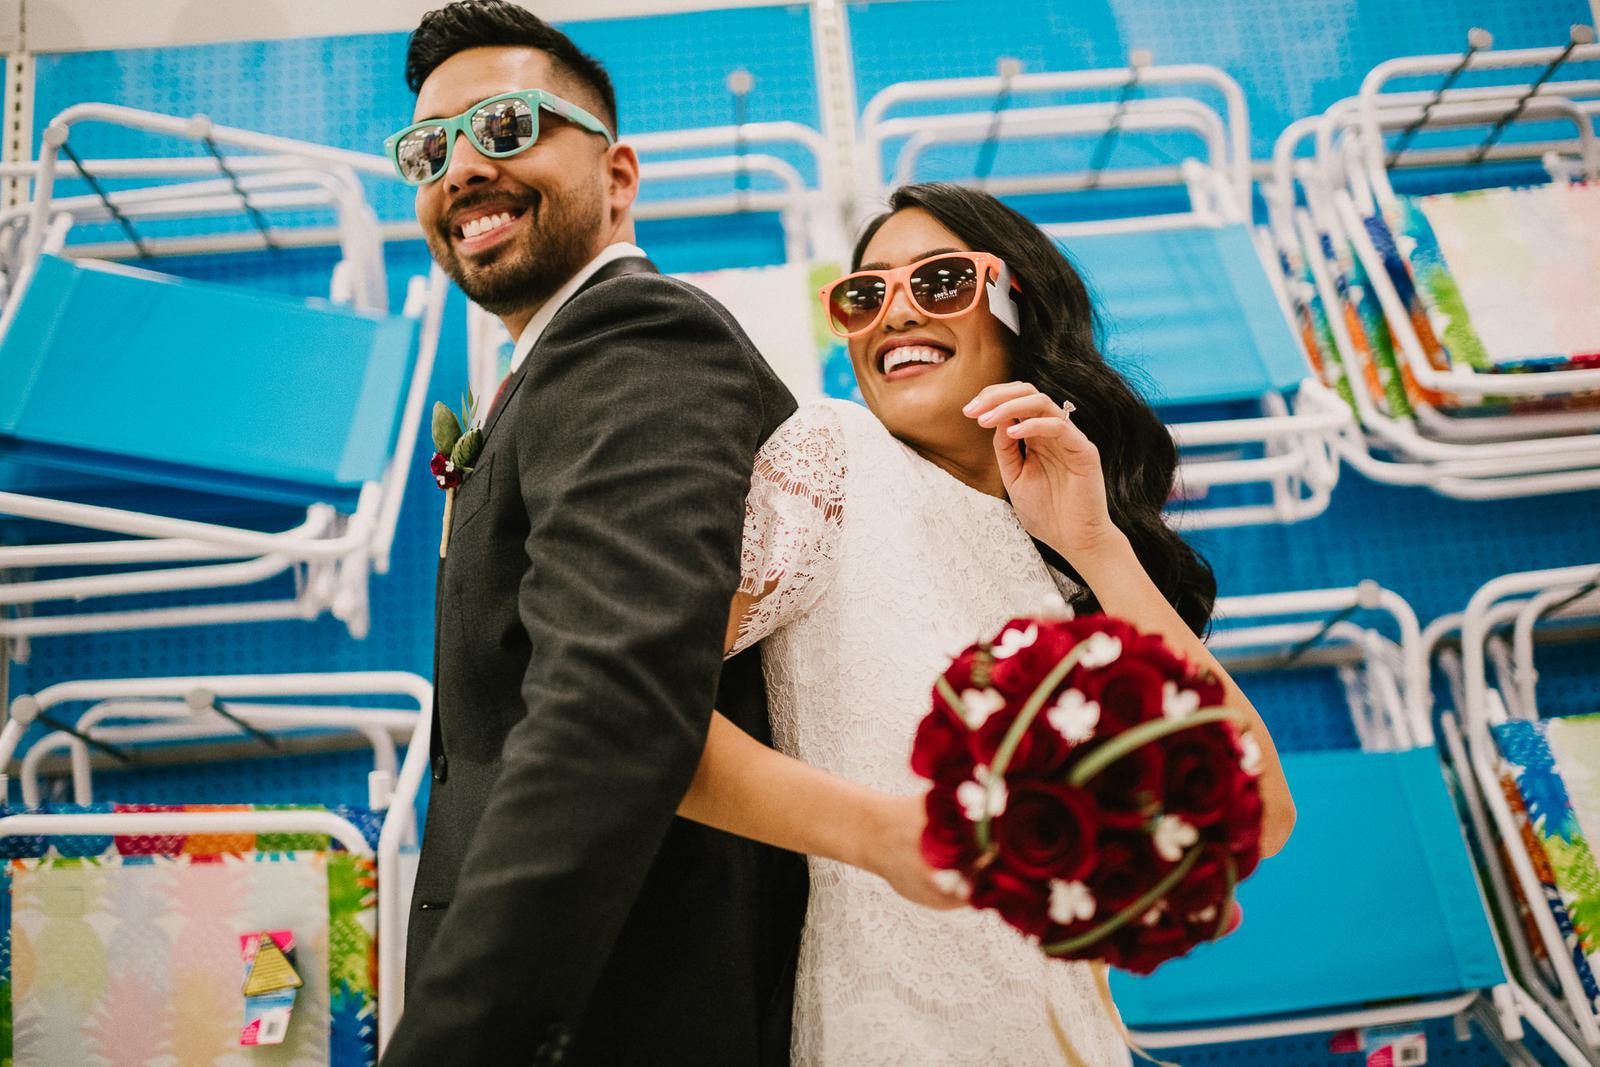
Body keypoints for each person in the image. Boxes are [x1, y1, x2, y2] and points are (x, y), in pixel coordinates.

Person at [672, 182, 1297, 1065]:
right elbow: (630, 713)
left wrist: (1096, 544)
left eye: (939, 281)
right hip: (893, 1030)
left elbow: (1256, 814)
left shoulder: (1069, 572)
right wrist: (879, 834)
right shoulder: (832, 453)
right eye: (864, 295)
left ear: (1019, 305)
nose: (895, 314)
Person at [379, 3, 806, 1064]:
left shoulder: (635, 334)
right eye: (429, 150)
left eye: (506, 125)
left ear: (617, 177)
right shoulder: (545, 370)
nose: (462, 168)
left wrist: (453, 1040)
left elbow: (610, 706)